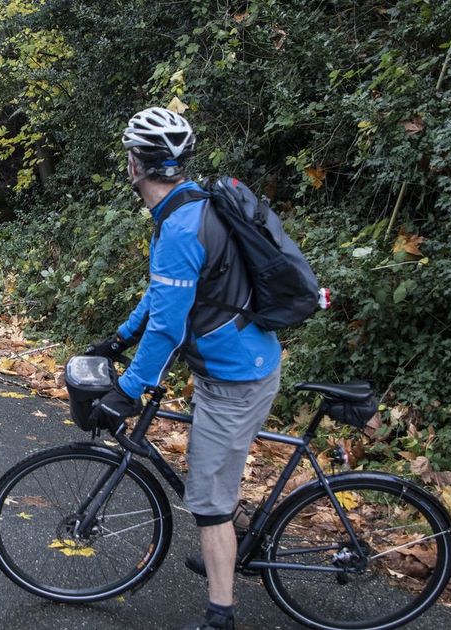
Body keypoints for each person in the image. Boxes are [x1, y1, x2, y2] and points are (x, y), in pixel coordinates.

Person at [84, 106, 282, 630]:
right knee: (216, 468)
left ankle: (221, 614)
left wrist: (128, 390)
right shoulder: (189, 207)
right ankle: (238, 540)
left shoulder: (178, 227)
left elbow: (170, 330)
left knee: (208, 502)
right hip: (239, 360)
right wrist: (121, 337)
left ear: (136, 164)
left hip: (236, 377)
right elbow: (164, 298)